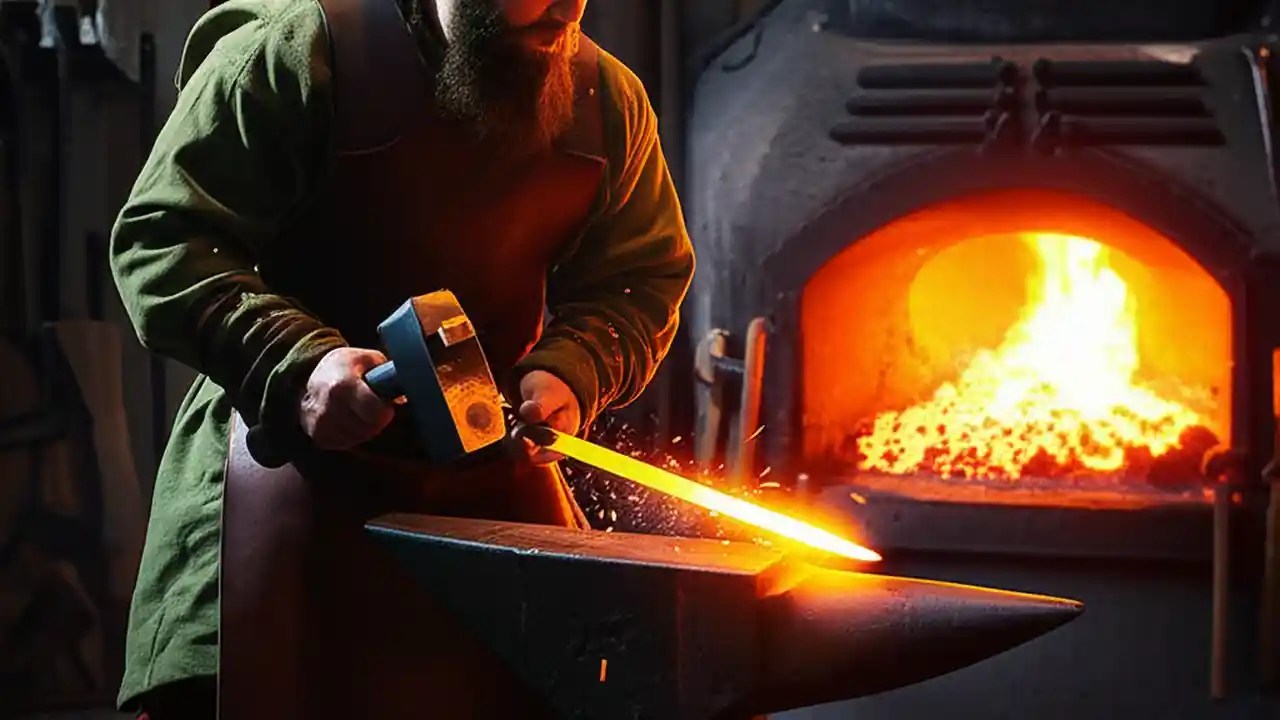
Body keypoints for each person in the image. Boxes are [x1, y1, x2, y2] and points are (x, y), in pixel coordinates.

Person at [108, 0, 694, 716]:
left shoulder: (607, 99)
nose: (569, 4)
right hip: (283, 483)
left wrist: (572, 369)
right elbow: (166, 242)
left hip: (491, 487)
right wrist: (298, 364)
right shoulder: (295, 56)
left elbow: (637, 281)